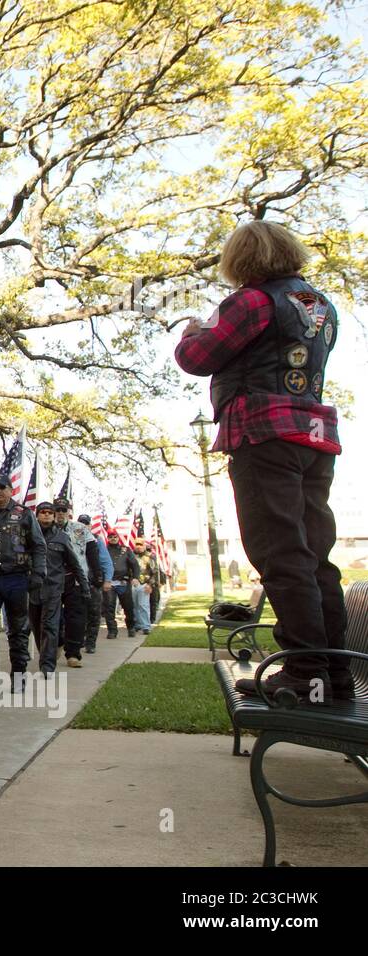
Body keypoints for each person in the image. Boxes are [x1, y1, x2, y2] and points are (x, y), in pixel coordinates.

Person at [175, 219, 347, 702]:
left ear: (241, 261)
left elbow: (196, 357)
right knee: (316, 557)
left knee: (280, 553)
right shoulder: (320, 305)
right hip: (313, 436)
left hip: (262, 433)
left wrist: (194, 330)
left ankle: (304, 671)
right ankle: (334, 673)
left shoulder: (253, 301)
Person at [0, 474, 46, 688]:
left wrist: (38, 573)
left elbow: (39, 545)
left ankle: (19, 675)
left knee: (18, 628)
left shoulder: (24, 514)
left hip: (16, 578)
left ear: (10, 489)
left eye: (2, 487)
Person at [28, 503, 90, 671]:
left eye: (50, 512)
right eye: (43, 512)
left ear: (54, 516)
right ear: (37, 515)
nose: (46, 515)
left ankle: (47, 665)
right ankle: (47, 653)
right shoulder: (28, 535)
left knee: (50, 625)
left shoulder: (62, 537)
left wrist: (84, 586)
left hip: (54, 588)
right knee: (36, 626)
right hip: (32, 589)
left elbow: (74, 563)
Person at [54, 499, 98, 664]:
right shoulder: (44, 529)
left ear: (69, 511)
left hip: (76, 579)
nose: (60, 513)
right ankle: (56, 643)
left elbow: (92, 553)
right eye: (57, 509)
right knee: (53, 617)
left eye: (63, 509)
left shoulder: (80, 528)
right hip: (53, 579)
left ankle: (73, 653)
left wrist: (97, 576)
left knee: (76, 617)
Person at [80, 516, 114, 652]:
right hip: (76, 582)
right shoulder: (70, 537)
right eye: (80, 523)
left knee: (94, 613)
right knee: (78, 613)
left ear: (90, 526)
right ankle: (78, 640)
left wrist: (107, 580)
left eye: (86, 524)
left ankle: (91, 643)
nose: (83, 526)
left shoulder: (96, 540)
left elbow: (106, 561)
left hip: (93, 581)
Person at [103, 534, 140, 638]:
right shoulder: (104, 550)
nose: (113, 539)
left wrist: (136, 577)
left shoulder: (126, 550)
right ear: (108, 538)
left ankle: (131, 627)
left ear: (118, 538)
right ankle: (112, 631)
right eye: (110, 537)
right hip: (109, 582)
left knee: (128, 606)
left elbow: (135, 565)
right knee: (109, 607)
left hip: (123, 582)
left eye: (115, 536)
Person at [131, 539, 153, 635]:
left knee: (143, 605)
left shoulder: (149, 557)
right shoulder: (130, 555)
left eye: (141, 544)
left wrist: (150, 585)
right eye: (137, 544)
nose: (138, 546)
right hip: (132, 583)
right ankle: (137, 624)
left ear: (144, 546)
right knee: (134, 605)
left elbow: (154, 572)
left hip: (144, 583)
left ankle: (146, 626)